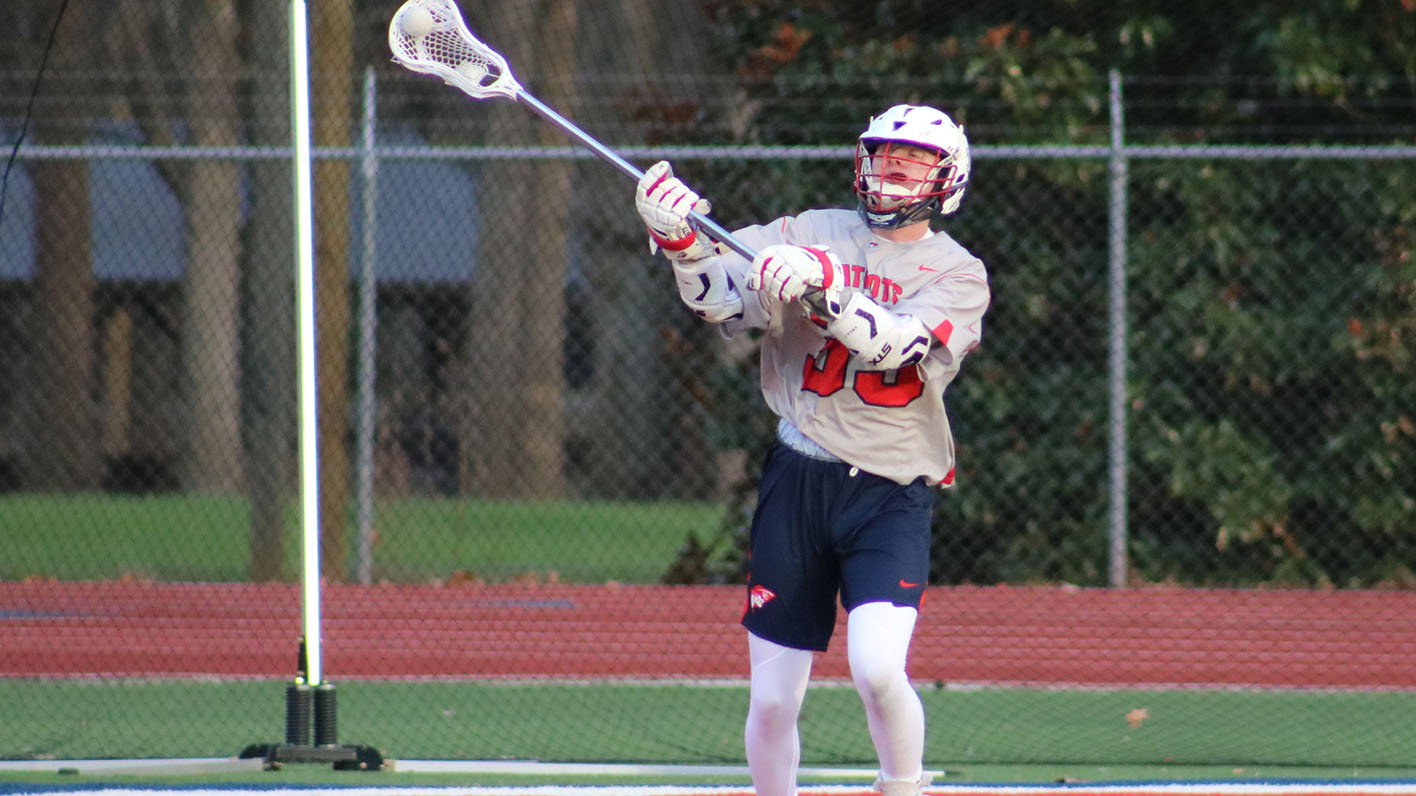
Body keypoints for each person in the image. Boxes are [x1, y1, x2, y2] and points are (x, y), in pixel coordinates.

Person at [633, 103, 989, 796]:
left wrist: (826, 295)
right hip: (798, 478)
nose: (890, 173)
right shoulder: (807, 231)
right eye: (882, 157)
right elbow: (722, 304)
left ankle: (904, 786)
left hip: (889, 492)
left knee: (878, 668)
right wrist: (680, 242)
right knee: (771, 699)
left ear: (946, 179)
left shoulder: (958, 273)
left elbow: (899, 347)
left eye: (910, 161)